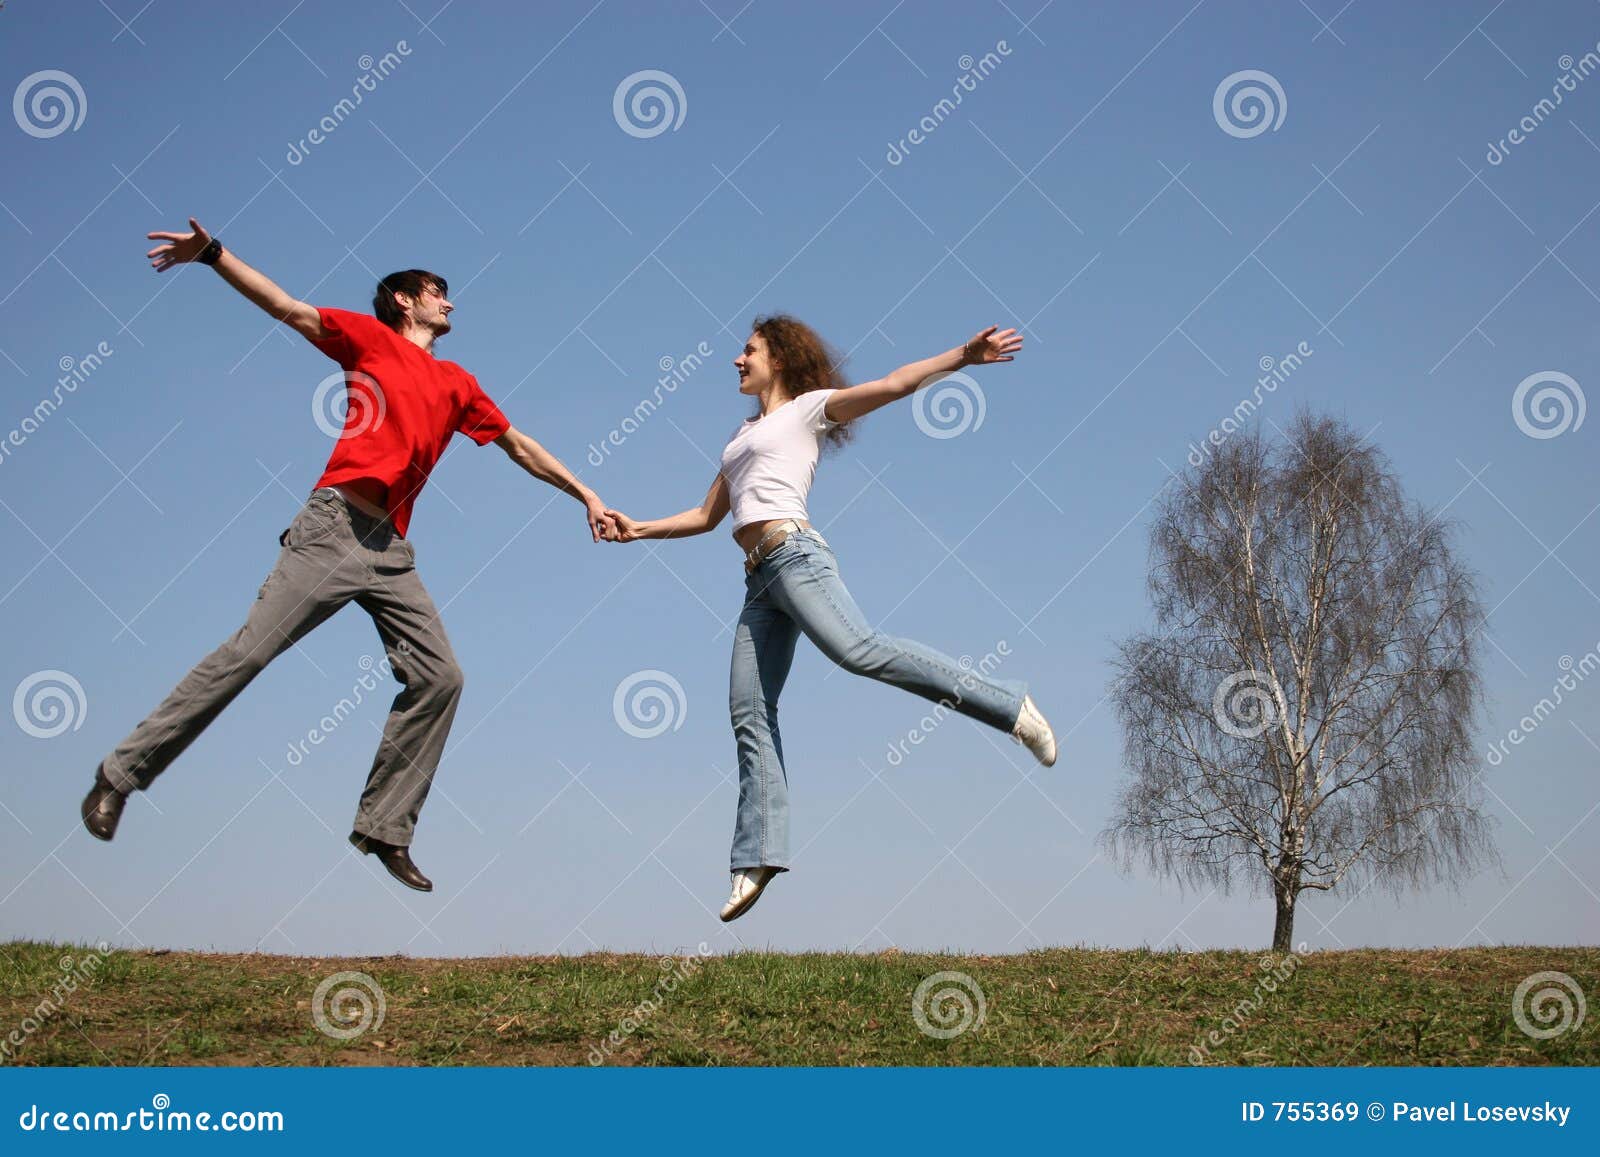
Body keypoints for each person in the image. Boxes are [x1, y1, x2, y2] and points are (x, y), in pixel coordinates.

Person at [80, 218, 612, 892]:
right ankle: (118, 775)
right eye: (435, 290)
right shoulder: (371, 342)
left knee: (441, 677)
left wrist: (584, 493)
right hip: (332, 529)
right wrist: (212, 254)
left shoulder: (457, 383)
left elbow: (519, 445)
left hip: (391, 551)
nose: (448, 300)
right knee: (247, 652)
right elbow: (286, 306)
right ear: (402, 301)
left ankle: (386, 827)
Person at [602, 316, 1057, 921]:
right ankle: (758, 853)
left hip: (796, 558)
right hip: (759, 580)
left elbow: (894, 384)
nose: (737, 361)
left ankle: (1009, 706)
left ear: (780, 359)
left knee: (858, 650)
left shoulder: (810, 409)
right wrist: (638, 528)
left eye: (749, 351)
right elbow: (707, 515)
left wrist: (965, 357)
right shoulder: (740, 436)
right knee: (748, 709)